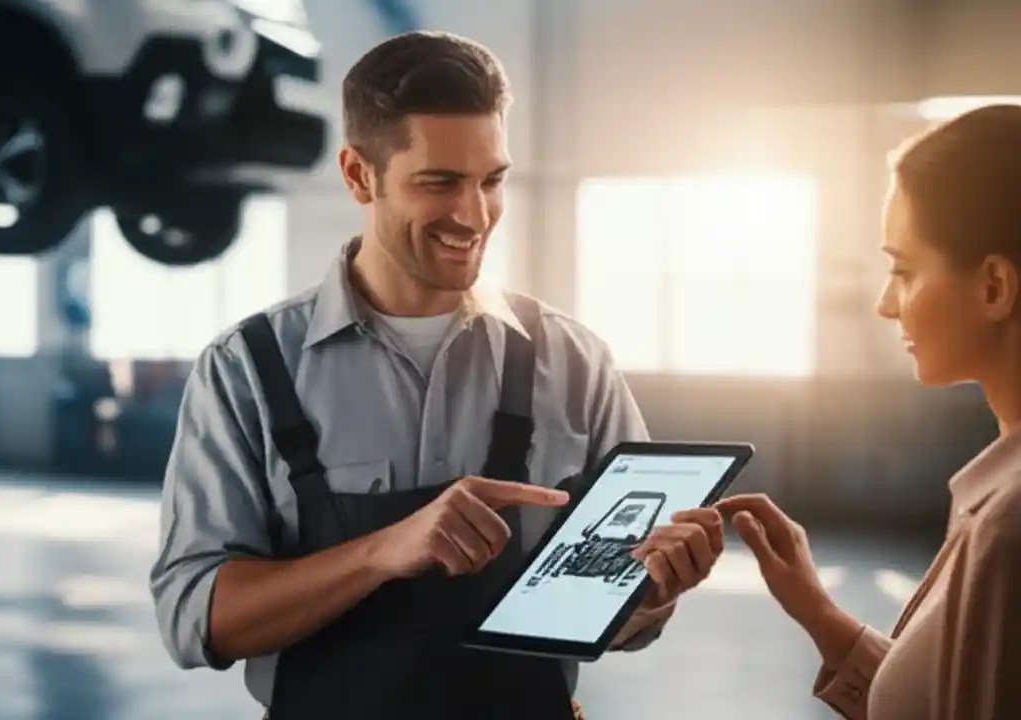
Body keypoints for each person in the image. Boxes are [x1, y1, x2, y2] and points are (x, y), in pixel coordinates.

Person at [150, 31, 724, 720]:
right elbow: (195, 619)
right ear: (359, 175)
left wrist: (654, 596)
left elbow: (620, 619)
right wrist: (385, 551)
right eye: (441, 182)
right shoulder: (246, 370)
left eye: (492, 180)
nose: (475, 215)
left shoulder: (575, 364)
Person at [718, 104, 1021, 720]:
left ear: (994, 287)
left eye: (904, 271)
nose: (886, 304)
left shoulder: (1009, 531)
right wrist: (818, 612)